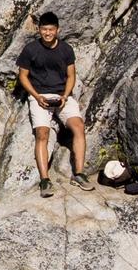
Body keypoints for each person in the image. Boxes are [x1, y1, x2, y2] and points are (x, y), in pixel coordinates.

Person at [16, 12, 91, 195]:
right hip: (39, 95)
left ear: (57, 30)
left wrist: (65, 96)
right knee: (42, 133)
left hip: (62, 96)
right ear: (39, 29)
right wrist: (36, 95)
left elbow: (71, 75)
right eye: (44, 29)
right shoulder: (30, 49)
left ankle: (79, 174)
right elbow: (23, 77)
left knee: (78, 127)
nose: (47, 33)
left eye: (51, 29)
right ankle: (45, 180)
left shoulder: (66, 49)